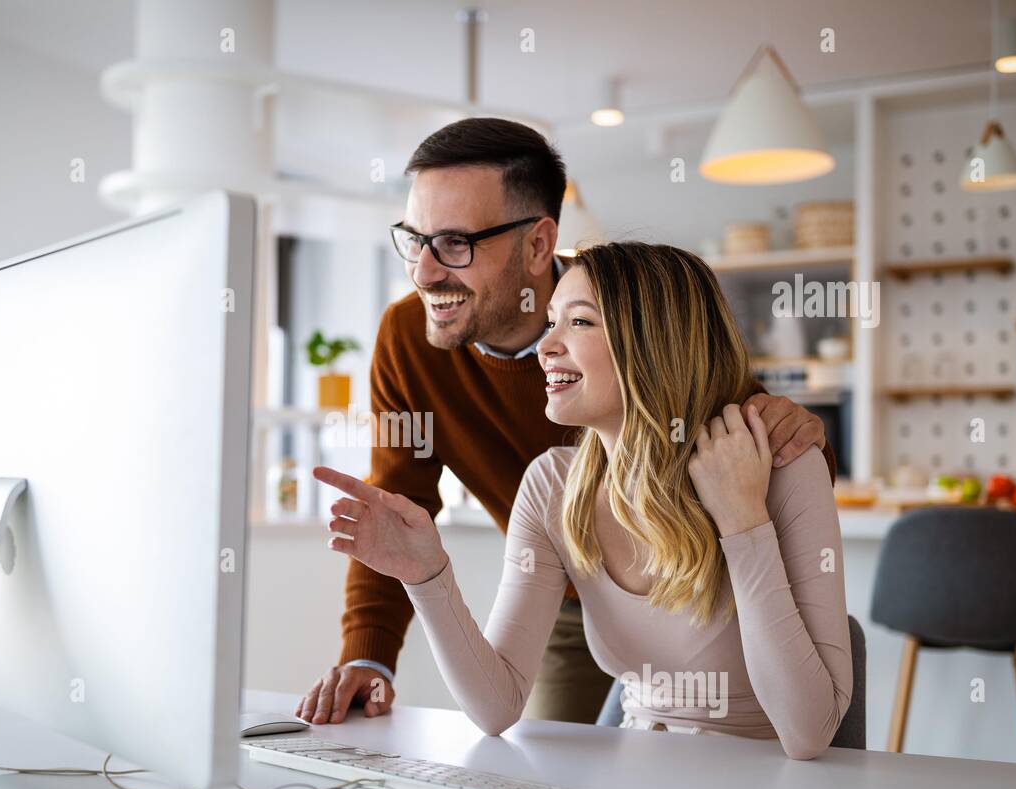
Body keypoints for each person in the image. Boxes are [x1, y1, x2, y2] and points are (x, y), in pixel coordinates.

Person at [295, 118, 835, 727]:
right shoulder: (410, 343)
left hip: (700, 590)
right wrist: (369, 656)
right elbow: (394, 508)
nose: (423, 271)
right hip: (565, 580)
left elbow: (746, 432)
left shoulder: (632, 313)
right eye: (414, 239)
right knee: (548, 778)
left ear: (536, 244)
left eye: (454, 243)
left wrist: (791, 440)